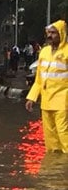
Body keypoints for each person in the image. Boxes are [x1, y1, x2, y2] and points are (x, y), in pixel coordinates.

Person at [25, 20, 68, 153]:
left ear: (61, 34)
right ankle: (55, 165)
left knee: (63, 133)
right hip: (46, 101)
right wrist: (31, 98)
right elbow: (39, 79)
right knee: (49, 138)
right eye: (48, 33)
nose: (50, 35)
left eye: (53, 33)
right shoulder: (44, 52)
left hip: (63, 100)